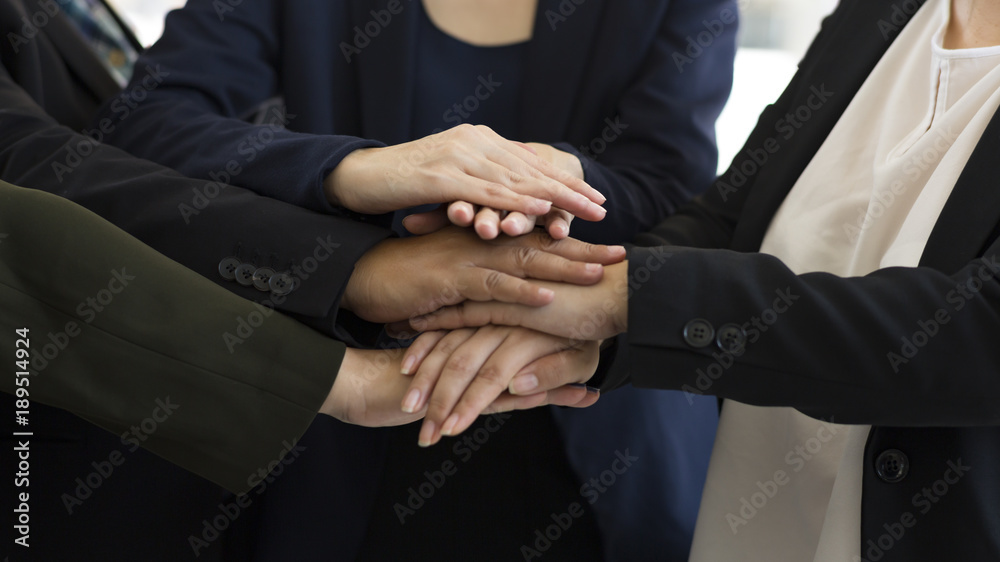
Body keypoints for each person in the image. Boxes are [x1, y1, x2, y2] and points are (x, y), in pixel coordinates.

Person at [98, 1, 736, 558]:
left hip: (591, 424)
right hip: (334, 410)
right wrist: (352, 170)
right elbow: (147, 121)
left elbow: (680, 195)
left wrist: (548, 180)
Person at [408, 0, 1000, 559]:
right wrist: (579, 298)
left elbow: (978, 332)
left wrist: (631, 299)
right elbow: (730, 217)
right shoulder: (881, 12)